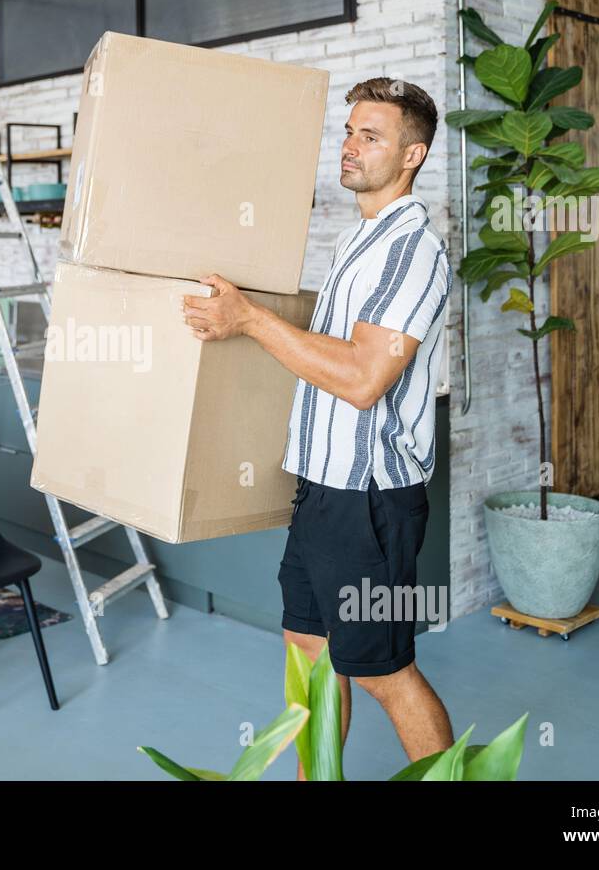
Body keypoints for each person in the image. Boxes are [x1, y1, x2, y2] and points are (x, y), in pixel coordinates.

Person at [182, 77, 454, 775]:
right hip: (321, 492)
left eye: (373, 136)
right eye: (349, 131)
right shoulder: (356, 242)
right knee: (309, 660)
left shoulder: (412, 250)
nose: (352, 146)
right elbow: (326, 350)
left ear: (413, 155)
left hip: (368, 502)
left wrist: (249, 319)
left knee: (382, 669)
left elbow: (365, 378)